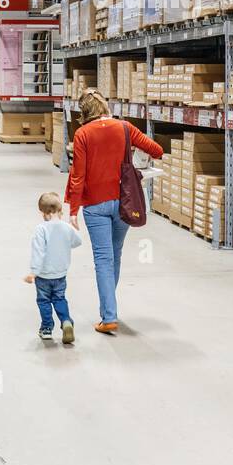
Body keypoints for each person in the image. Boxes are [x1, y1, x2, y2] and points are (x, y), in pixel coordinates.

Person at [65, 89, 163, 335]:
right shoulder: (125, 128)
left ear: (84, 113)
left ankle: (109, 315)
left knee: (103, 260)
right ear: (105, 106)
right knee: (114, 256)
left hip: (95, 206)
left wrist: (73, 210)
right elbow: (157, 150)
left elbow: (78, 175)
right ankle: (109, 308)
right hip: (123, 203)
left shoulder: (83, 134)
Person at [25, 191, 81, 343]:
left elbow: (38, 252)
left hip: (43, 276)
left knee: (44, 301)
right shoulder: (66, 227)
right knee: (59, 298)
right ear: (60, 211)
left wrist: (33, 272)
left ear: (43, 213)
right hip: (60, 274)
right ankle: (66, 321)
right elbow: (77, 242)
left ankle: (47, 328)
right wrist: (71, 232)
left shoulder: (41, 229)